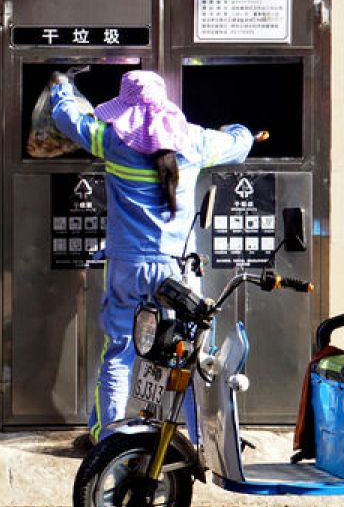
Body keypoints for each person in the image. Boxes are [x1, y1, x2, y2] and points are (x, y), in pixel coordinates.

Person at [50, 69, 254, 444]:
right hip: (178, 272)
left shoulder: (111, 140)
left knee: (120, 352)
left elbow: (67, 118)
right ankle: (201, 443)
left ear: (125, 109)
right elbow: (240, 145)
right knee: (191, 357)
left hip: (127, 267)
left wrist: (62, 87)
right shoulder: (195, 141)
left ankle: (107, 443)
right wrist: (238, 129)